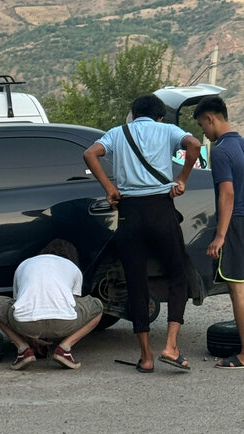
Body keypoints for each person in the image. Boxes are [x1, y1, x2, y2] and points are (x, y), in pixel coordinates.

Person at [83, 94, 201, 374]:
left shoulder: (117, 133)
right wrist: (182, 178)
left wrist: (110, 189)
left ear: (133, 114)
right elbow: (195, 145)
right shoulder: (167, 130)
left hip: (130, 212)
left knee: (135, 282)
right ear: (160, 116)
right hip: (161, 208)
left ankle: (146, 357)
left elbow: (90, 154)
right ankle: (170, 346)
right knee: (177, 275)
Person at [192, 95, 244, 369]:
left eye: (202, 126)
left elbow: (227, 193)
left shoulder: (221, 151)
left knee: (236, 287)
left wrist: (220, 235)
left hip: (236, 223)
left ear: (210, 118)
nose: (204, 132)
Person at [0, 239, 103, 370]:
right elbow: (73, 303)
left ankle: (23, 349)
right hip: (65, 324)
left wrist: (31, 339)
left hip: (26, 325)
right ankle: (65, 348)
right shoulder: (73, 267)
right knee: (97, 306)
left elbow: (19, 304)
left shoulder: (25, 264)